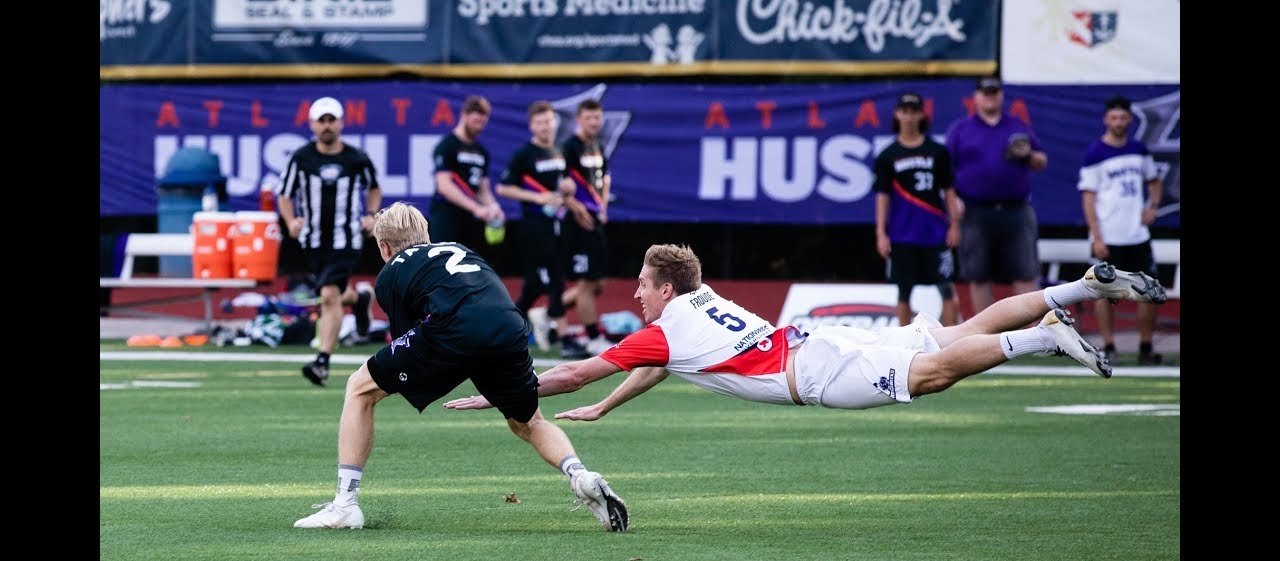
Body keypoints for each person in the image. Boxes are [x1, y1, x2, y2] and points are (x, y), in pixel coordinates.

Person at [443, 244, 1167, 422]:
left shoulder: (663, 329)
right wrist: (607, 410)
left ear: (666, 288)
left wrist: (502, 396)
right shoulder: (702, 301)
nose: (634, 294)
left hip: (817, 374)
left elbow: (570, 372)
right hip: (817, 344)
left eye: (641, 285)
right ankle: (1077, 287)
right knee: (956, 332)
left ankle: (1047, 336)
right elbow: (663, 367)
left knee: (938, 374)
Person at [292, 202, 628, 532]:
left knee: (360, 387)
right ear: (426, 234)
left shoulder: (391, 271)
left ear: (384, 247)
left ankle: (345, 505)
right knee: (528, 422)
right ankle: (580, 475)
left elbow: (407, 337)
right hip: (509, 327)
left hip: (455, 330)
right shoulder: (458, 248)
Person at [277, 96, 383, 386]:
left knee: (328, 296)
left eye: (331, 120)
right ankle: (360, 299)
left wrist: (372, 215)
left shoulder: (356, 158)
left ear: (341, 123)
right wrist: (291, 221)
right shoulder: (301, 158)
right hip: (313, 241)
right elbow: (284, 194)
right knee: (335, 292)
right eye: (321, 120)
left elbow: (374, 188)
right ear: (312, 124)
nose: (326, 126)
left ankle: (322, 360)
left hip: (346, 238)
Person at [496, 100, 593, 359]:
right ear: (531, 125)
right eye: (540, 122)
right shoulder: (524, 154)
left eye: (549, 121)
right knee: (555, 282)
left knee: (535, 286)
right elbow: (503, 187)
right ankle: (563, 338)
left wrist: (569, 194)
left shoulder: (558, 151)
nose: (545, 126)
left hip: (558, 224)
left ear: (555, 123)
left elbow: (559, 186)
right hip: (534, 227)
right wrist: (537, 199)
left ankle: (501, 331)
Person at [945, 77, 1048, 316]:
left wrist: (1028, 154)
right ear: (976, 97)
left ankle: (1033, 335)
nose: (990, 97)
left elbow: (1042, 161)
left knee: (1025, 272)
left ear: (1001, 96)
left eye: (994, 92)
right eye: (985, 93)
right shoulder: (961, 129)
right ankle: (986, 333)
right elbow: (945, 171)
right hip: (975, 210)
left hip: (1016, 209)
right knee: (979, 275)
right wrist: (954, 201)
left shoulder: (1017, 126)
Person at [1078, 95, 1166, 366]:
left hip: (1136, 235)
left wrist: (1153, 206)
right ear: (1106, 120)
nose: (1118, 122)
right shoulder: (1095, 153)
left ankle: (1145, 345)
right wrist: (1097, 236)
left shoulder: (1139, 150)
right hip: (1110, 235)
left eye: (1123, 118)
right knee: (1104, 293)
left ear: (1130, 119)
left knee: (1148, 292)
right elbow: (1089, 198)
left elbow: (1154, 181)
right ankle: (1108, 345)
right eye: (1113, 118)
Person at [874, 92, 963, 327]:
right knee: (903, 290)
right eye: (905, 111)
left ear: (922, 114)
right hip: (902, 233)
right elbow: (882, 196)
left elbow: (949, 191)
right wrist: (881, 233)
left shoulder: (937, 152)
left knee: (945, 286)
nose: (909, 117)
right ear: (897, 114)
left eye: (914, 111)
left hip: (934, 231)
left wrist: (954, 224)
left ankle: (952, 339)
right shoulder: (888, 156)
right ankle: (904, 339)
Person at [559, 98, 615, 355]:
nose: (594, 122)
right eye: (589, 118)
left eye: (597, 117)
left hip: (595, 219)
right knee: (584, 283)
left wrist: (602, 206)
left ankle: (549, 310)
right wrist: (576, 208)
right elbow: (559, 185)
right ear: (578, 119)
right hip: (576, 222)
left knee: (598, 283)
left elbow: (605, 177)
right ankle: (593, 338)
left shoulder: (597, 145)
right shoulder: (570, 147)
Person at [428, 95, 504, 251]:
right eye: (476, 122)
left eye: (483, 123)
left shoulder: (481, 151)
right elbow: (444, 186)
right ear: (464, 116)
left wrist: (494, 207)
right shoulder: (447, 145)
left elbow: (483, 189)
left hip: (469, 219)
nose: (479, 127)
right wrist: (476, 208)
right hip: (446, 215)